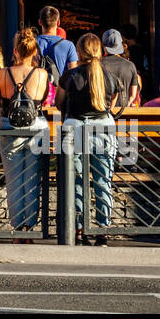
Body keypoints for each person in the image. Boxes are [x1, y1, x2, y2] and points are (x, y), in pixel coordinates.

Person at [59, 32, 129, 244]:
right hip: (103, 129)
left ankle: (79, 229)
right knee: (103, 181)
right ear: (100, 51)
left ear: (79, 51)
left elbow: (59, 103)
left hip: (75, 128)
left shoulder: (71, 76)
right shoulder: (109, 77)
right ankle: (102, 230)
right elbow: (112, 104)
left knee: (77, 180)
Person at [0, 27, 52, 237]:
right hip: (37, 127)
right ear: (34, 51)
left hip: (10, 128)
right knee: (33, 179)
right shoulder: (43, 74)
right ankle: (31, 227)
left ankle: (18, 228)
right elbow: (44, 99)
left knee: (14, 179)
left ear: (15, 51)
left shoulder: (3, 73)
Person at [37, 5, 79, 83]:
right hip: (58, 93)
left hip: (35, 92)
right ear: (58, 22)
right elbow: (72, 76)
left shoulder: (30, 44)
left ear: (39, 22)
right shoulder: (69, 46)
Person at [101, 28, 142, 106]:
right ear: (120, 44)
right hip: (123, 115)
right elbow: (133, 95)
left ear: (103, 45)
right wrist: (125, 105)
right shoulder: (130, 65)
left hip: (102, 113)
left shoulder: (97, 65)